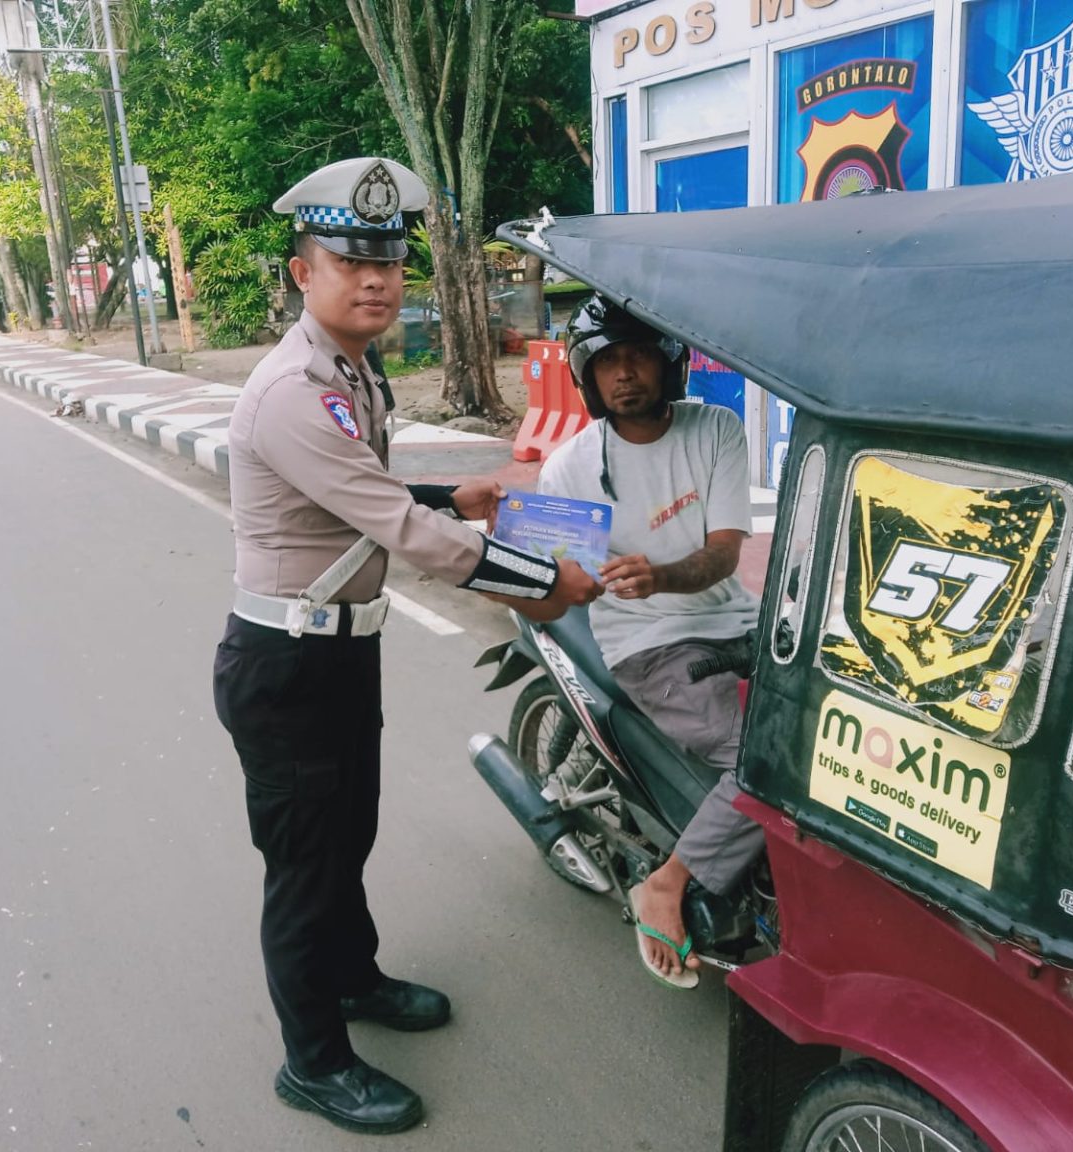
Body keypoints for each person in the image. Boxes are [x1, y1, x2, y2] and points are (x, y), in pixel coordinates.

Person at [211, 156, 601, 1136]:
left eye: (389, 261)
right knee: (306, 866)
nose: (379, 280)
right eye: (351, 262)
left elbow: (362, 499)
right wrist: (538, 588)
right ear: (303, 272)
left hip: (342, 653)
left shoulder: (350, 369)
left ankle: (352, 978)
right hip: (288, 666)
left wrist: (449, 494)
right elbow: (406, 535)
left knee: (350, 834)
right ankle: (313, 1063)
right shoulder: (293, 389)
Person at [539, 295, 764, 991]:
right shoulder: (569, 469)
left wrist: (663, 573)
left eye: (637, 355)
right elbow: (553, 577)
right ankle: (666, 884)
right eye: (607, 362)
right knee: (767, 759)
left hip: (737, 619)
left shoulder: (716, 429)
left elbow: (724, 554)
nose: (624, 374)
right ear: (587, 376)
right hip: (648, 643)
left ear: (668, 363)